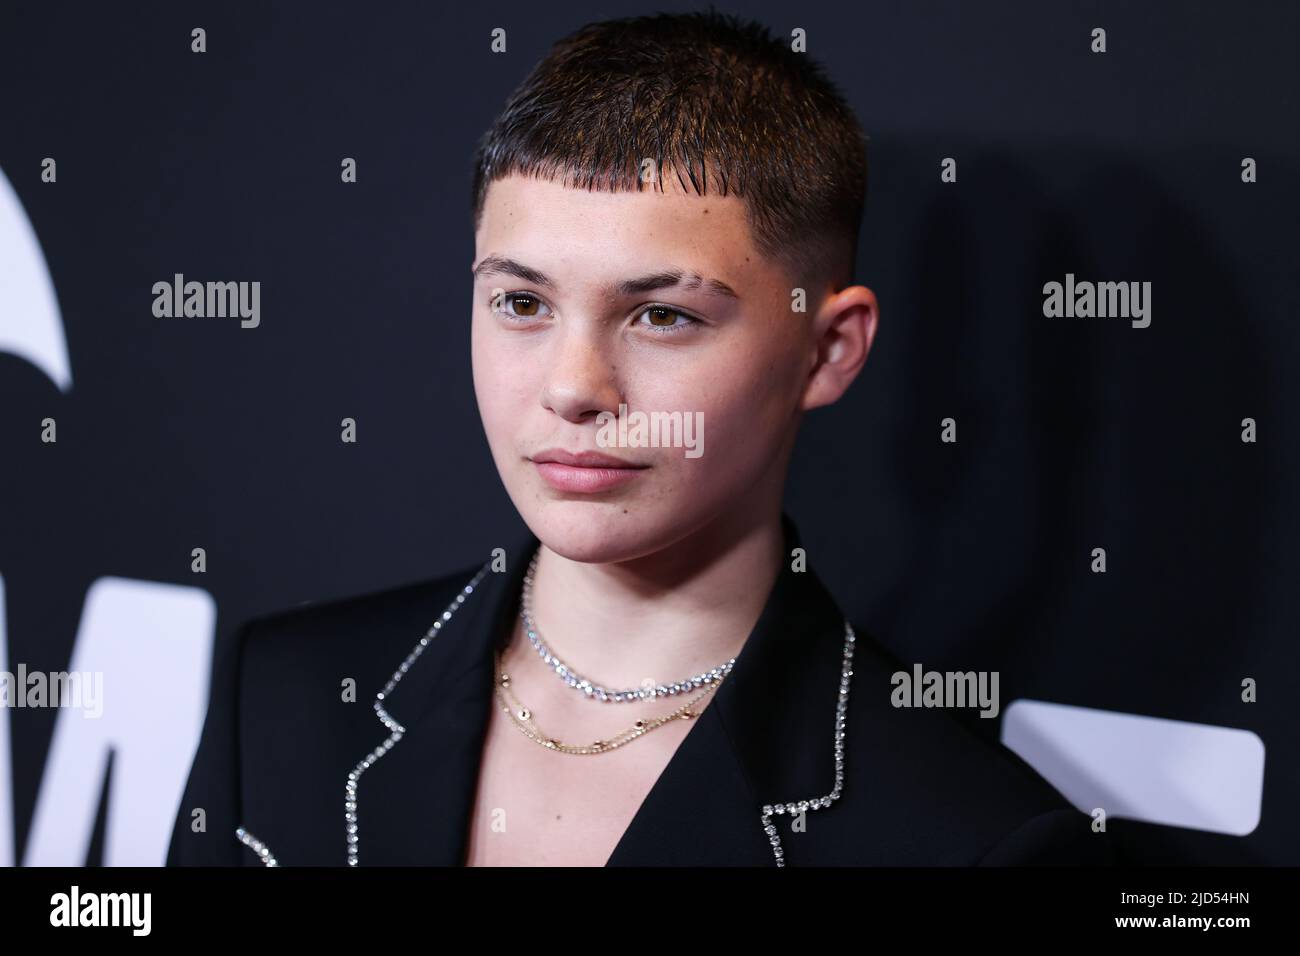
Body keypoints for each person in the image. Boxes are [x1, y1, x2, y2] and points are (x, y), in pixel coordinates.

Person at [167, 10, 1111, 867]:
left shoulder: (967, 842)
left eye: (662, 316)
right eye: (522, 302)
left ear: (827, 350)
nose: (574, 388)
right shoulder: (286, 696)